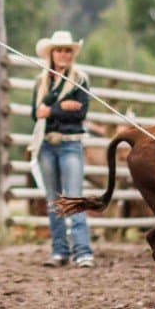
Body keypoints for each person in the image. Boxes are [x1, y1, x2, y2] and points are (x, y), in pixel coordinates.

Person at [28, 30, 94, 267]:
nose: (63, 55)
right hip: (47, 144)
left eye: (67, 50)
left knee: (73, 198)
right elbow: (35, 114)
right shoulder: (42, 81)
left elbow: (81, 112)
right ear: (52, 53)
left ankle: (83, 251)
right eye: (59, 50)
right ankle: (59, 250)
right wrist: (62, 107)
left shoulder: (80, 79)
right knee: (53, 200)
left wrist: (52, 110)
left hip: (69, 144)